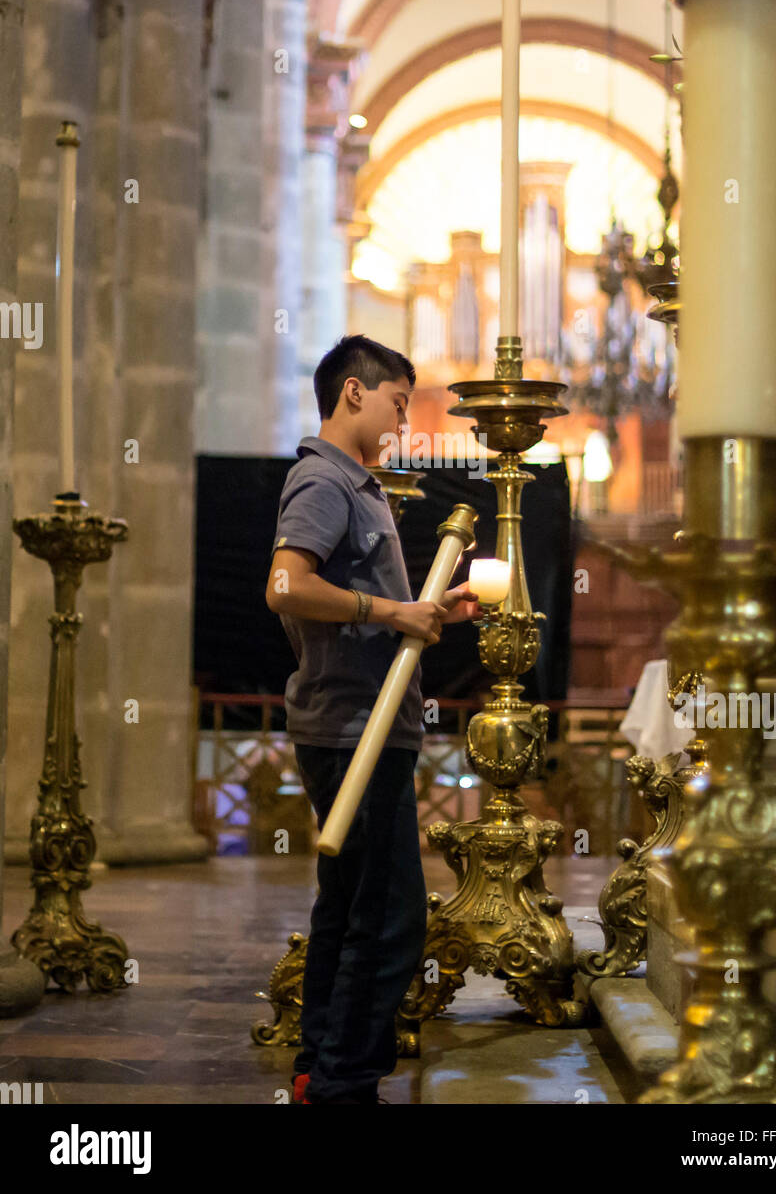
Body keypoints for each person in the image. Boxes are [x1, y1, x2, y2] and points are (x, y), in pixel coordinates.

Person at [265, 334, 479, 1105]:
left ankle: (318, 1066)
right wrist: (394, 609)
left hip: (361, 723)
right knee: (390, 924)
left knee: (347, 911)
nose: (400, 422)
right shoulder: (325, 481)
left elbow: (364, 616)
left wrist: (424, 617)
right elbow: (286, 588)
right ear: (354, 393)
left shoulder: (357, 486)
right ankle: (343, 1086)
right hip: (355, 731)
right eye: (397, 403)